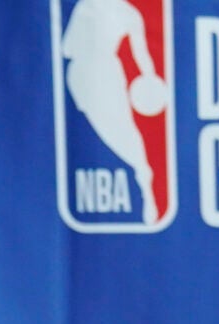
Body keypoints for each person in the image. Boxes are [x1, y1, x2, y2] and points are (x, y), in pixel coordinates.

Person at [59, 0, 164, 223]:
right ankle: (142, 175)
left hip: (105, 74)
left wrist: (149, 80)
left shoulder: (128, 15)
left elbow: (141, 54)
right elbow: (66, 48)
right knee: (91, 131)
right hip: (80, 75)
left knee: (122, 130)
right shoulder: (88, 7)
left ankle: (144, 180)